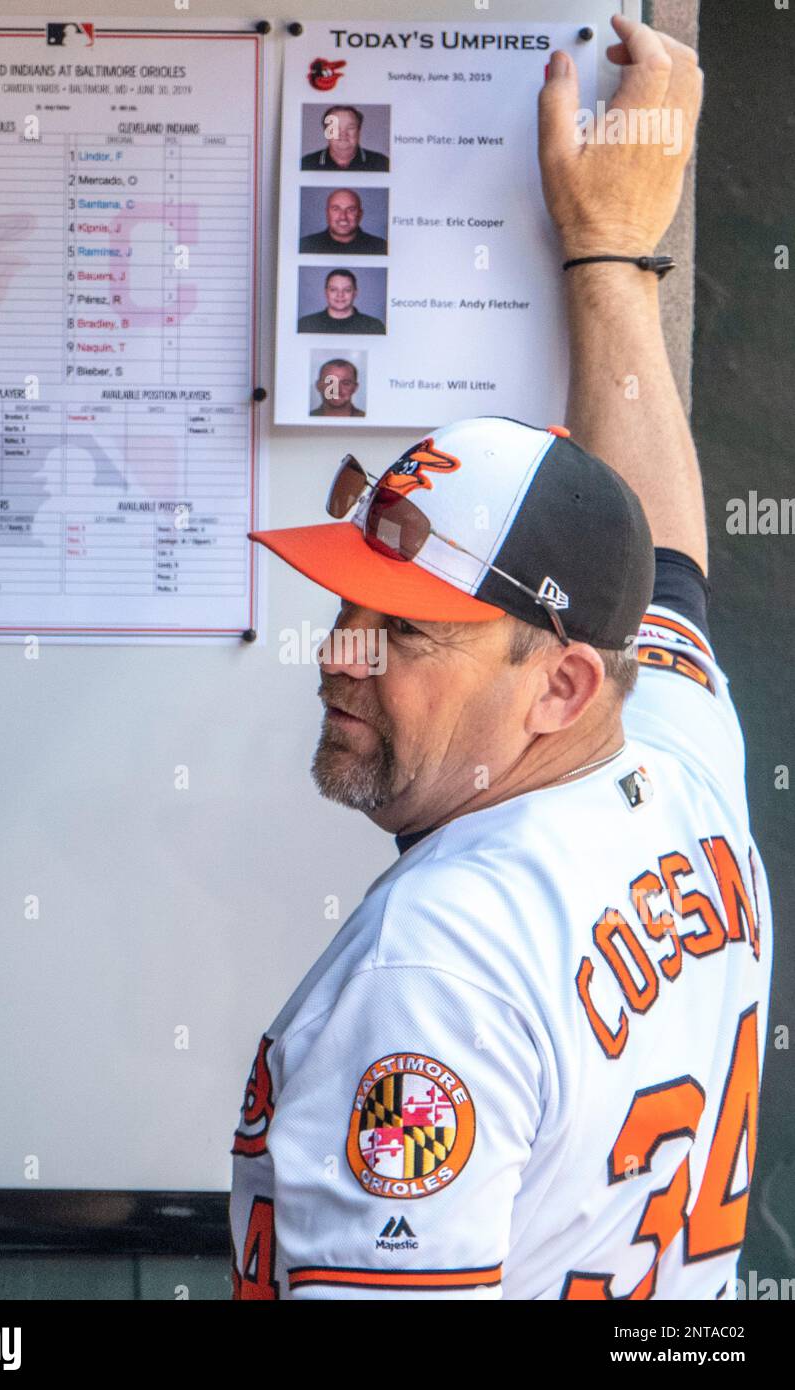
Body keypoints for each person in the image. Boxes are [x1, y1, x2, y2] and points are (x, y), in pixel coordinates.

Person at [232, 16, 773, 1299]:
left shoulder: (430, 969)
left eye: (404, 630)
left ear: (564, 683)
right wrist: (612, 252)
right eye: (347, 605)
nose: (338, 655)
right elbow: (667, 573)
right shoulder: (674, 755)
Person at [301, 105, 390, 172]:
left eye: (350, 128)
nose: (343, 135)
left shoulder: (381, 163)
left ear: (359, 131)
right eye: (335, 128)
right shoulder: (306, 164)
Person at [298, 269, 385, 335]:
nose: (340, 295)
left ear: (355, 293)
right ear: (326, 292)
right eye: (333, 290)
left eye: (347, 290)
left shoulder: (374, 326)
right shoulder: (306, 324)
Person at [300, 189, 388, 256]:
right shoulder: (306, 245)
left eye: (351, 210)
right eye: (336, 209)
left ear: (360, 214)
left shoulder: (381, 247)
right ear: (327, 213)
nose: (343, 217)